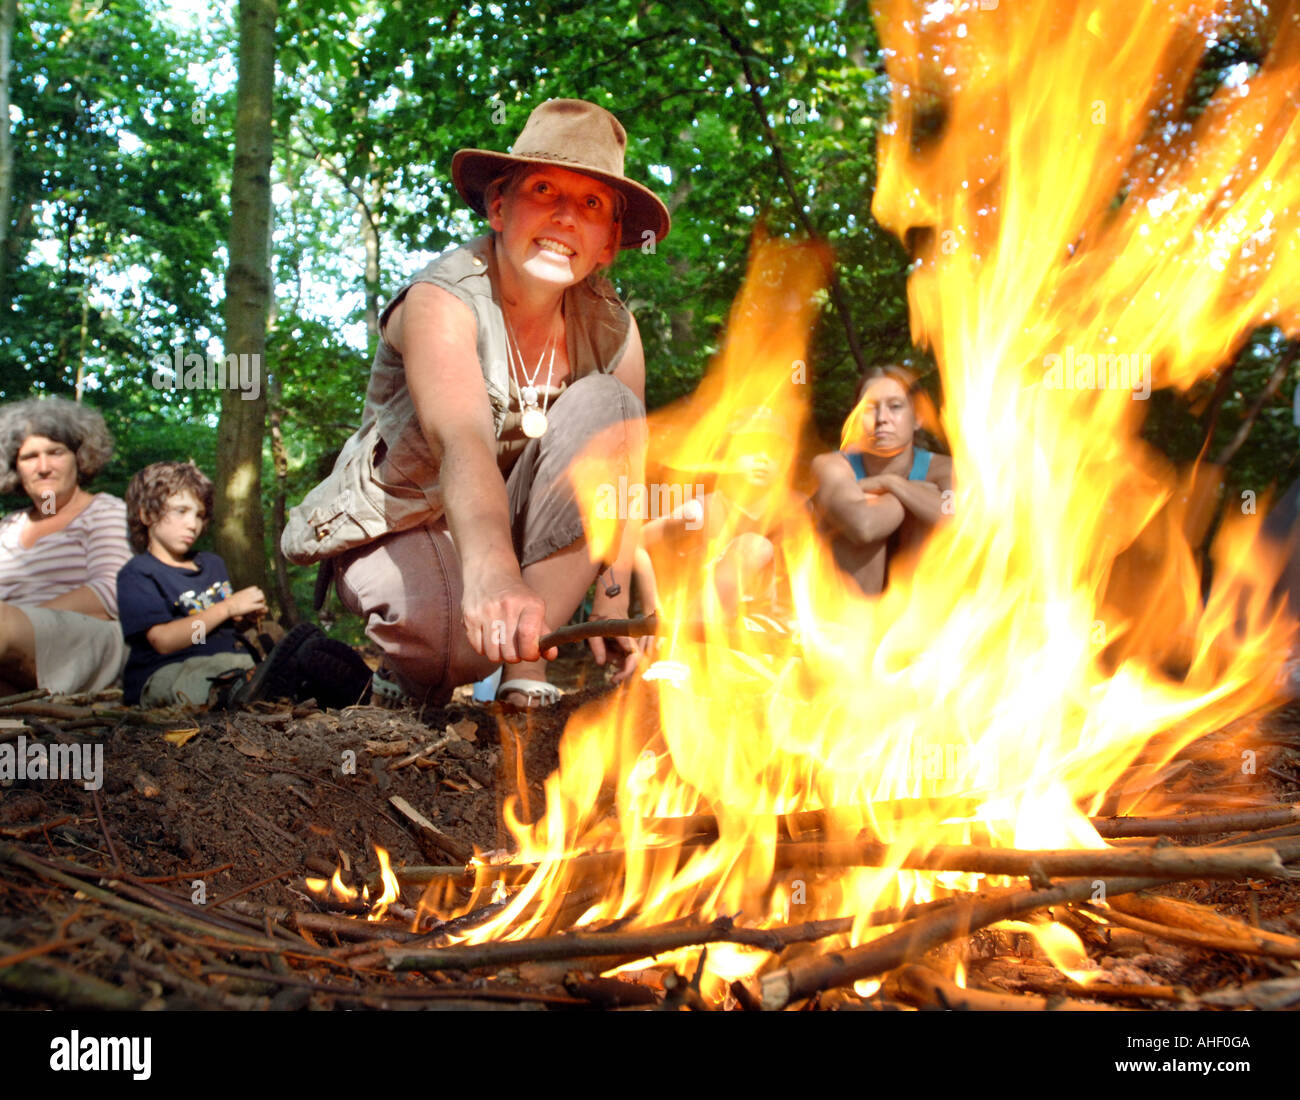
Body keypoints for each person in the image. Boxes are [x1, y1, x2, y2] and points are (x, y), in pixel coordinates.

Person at [281, 99, 671, 707]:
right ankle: (374, 681)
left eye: (591, 203)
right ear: (498, 207)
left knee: (612, 405)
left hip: (512, 526)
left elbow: (621, 469)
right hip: (405, 517)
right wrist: (493, 577)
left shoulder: (614, 329)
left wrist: (615, 589)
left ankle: (523, 672)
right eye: (544, 189)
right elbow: (461, 440)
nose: (566, 216)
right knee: (450, 653)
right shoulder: (442, 299)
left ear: (609, 244)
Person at [118, 461, 373, 709]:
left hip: (234, 662)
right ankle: (266, 688)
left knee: (264, 667)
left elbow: (216, 629)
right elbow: (163, 640)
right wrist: (227, 608)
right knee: (225, 677)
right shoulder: (140, 573)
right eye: (181, 511)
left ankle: (331, 686)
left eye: (199, 514)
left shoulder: (212, 564)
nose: (192, 524)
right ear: (147, 514)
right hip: (169, 670)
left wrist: (245, 619)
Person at [0, 396, 132, 695]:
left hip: (89, 642)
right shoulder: (7, 527)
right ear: (15, 468)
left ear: (79, 457)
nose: (43, 466)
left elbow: (112, 593)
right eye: (29, 457)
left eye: (55, 452)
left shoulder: (104, 511)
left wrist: (20, 623)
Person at [638, 408, 807, 619]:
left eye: (773, 450)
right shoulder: (701, 511)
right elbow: (636, 544)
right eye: (751, 447)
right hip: (697, 627)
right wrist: (652, 611)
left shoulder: (794, 514)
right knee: (753, 546)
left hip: (764, 633)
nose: (763, 457)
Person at [812, 366, 953, 595]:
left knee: (925, 518)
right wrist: (911, 495)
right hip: (849, 604)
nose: (881, 419)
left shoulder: (943, 468)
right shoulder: (834, 465)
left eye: (895, 407)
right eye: (869, 409)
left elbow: (958, 518)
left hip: (922, 602)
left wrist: (892, 483)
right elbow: (864, 527)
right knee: (869, 509)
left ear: (917, 418)